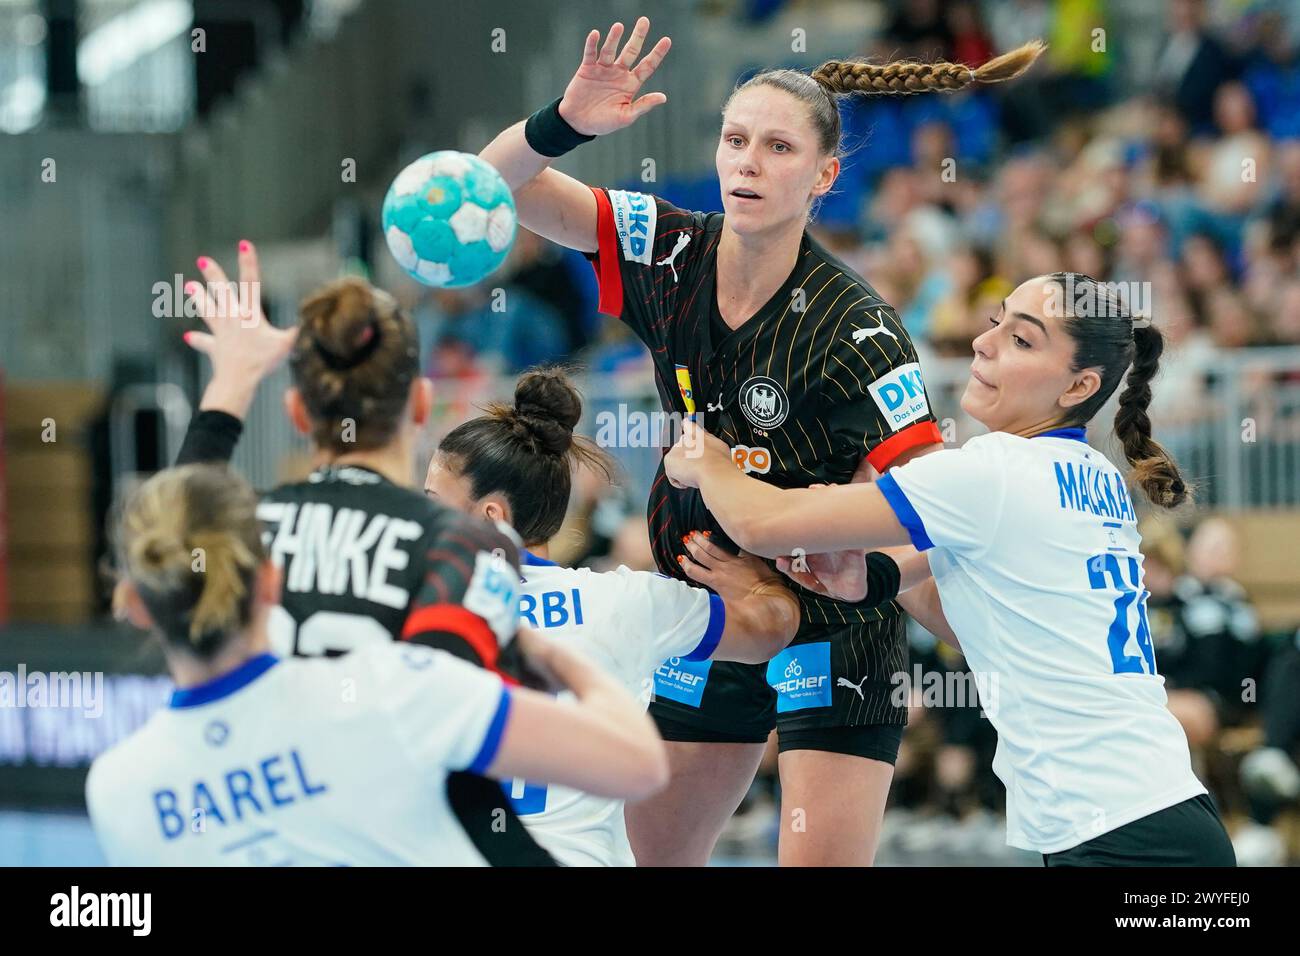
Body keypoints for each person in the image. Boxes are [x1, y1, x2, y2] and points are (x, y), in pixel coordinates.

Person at [477, 14, 1044, 866]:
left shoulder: (859, 331)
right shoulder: (668, 249)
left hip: (834, 631)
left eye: (778, 148)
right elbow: (492, 186)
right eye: (736, 139)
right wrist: (569, 121)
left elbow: (939, 515)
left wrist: (873, 574)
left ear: (824, 176)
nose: (747, 160)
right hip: (709, 612)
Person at [664, 272, 1237, 866]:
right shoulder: (1094, 477)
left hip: (1124, 839)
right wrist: (870, 580)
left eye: (1022, 341)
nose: (983, 344)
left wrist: (709, 462)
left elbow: (765, 523)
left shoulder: (992, 470)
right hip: (1156, 820)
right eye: (996, 323)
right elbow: (985, 622)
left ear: (1080, 385)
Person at [172, 242, 558, 864]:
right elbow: (459, 769)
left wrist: (232, 382)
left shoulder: (240, 529)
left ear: (296, 410)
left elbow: (173, 522)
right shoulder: (468, 548)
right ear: (423, 405)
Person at [87, 464, 667, 866]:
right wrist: (551, 655)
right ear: (270, 580)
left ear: (134, 604)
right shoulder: (394, 691)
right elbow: (639, 765)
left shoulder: (117, 791)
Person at [425, 365, 803, 864]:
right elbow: (770, 631)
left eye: (433, 503)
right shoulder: (625, 603)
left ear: (493, 517)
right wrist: (757, 580)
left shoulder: (412, 611)